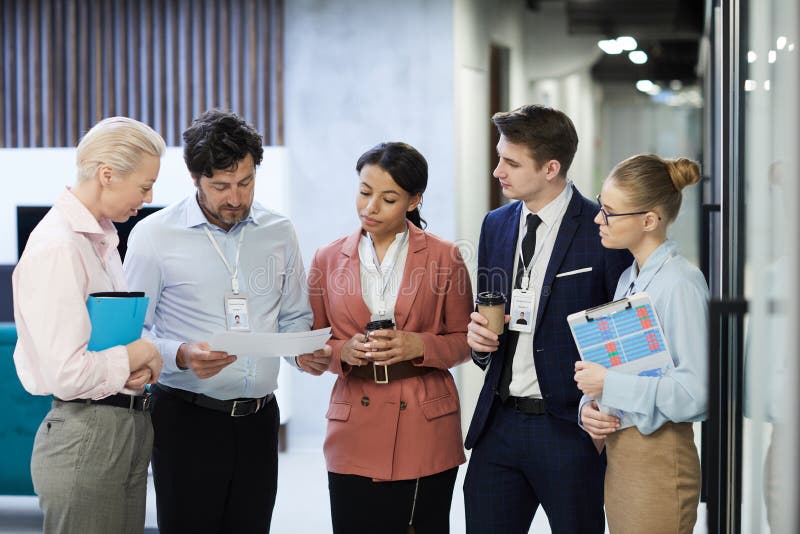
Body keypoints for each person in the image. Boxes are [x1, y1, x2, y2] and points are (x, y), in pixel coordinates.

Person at [123, 109, 330, 534]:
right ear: (195, 178)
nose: (235, 198)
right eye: (220, 186)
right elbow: (132, 332)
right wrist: (179, 354)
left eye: (245, 182)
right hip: (186, 419)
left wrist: (304, 354)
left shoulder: (279, 231)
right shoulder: (153, 235)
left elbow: (293, 317)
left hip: (258, 422)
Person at [463, 105, 632, 533]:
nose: (496, 170)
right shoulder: (496, 225)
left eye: (511, 162)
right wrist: (479, 341)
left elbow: (620, 335)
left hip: (568, 428)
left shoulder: (602, 231)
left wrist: (601, 416)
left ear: (551, 167)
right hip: (499, 424)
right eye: (499, 156)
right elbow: (490, 311)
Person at [308, 142, 473, 533]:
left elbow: (467, 339)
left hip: (424, 423)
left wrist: (420, 345)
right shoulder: (327, 258)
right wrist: (340, 353)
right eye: (364, 192)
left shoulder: (445, 256)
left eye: (388, 198)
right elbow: (310, 342)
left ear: (414, 200)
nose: (370, 207)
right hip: (353, 426)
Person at [12, 117, 166, 533]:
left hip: (121, 428)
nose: (149, 197)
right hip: (87, 436)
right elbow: (67, 372)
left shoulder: (99, 239)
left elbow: (102, 343)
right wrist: (138, 353)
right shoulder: (59, 247)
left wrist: (140, 361)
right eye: (144, 185)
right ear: (107, 175)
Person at [574, 154, 708, 533]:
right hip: (623, 455)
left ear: (649, 220)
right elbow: (625, 368)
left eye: (610, 212)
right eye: (601, 206)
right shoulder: (629, 279)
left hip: (659, 460)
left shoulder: (680, 284)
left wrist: (608, 384)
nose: (599, 219)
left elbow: (696, 393)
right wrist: (593, 404)